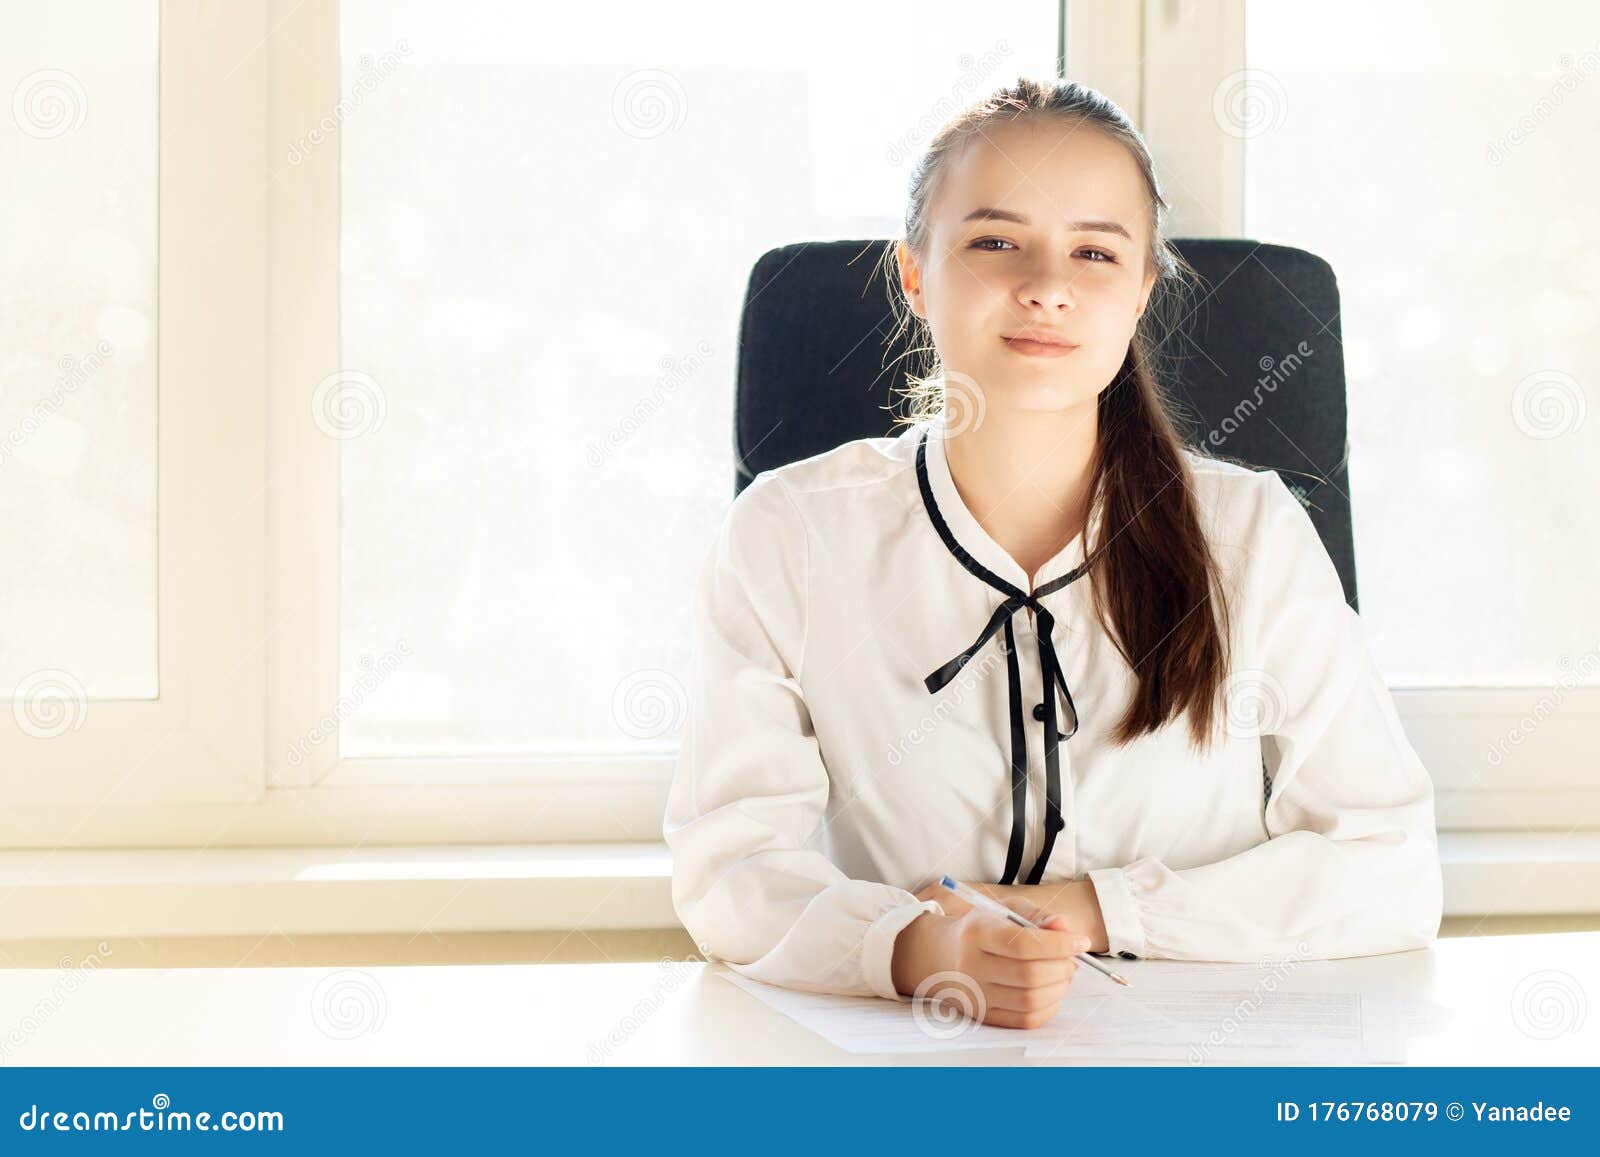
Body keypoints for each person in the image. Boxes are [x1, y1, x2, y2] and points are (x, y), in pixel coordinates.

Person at [663, 77, 1443, 1030]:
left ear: (1143, 289)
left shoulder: (1251, 531)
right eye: (995, 241)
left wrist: (1093, 910)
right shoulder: (787, 532)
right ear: (915, 275)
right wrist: (916, 948)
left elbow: (1390, 864)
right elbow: (730, 868)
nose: (1047, 284)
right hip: (909, 1057)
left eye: (1095, 251)